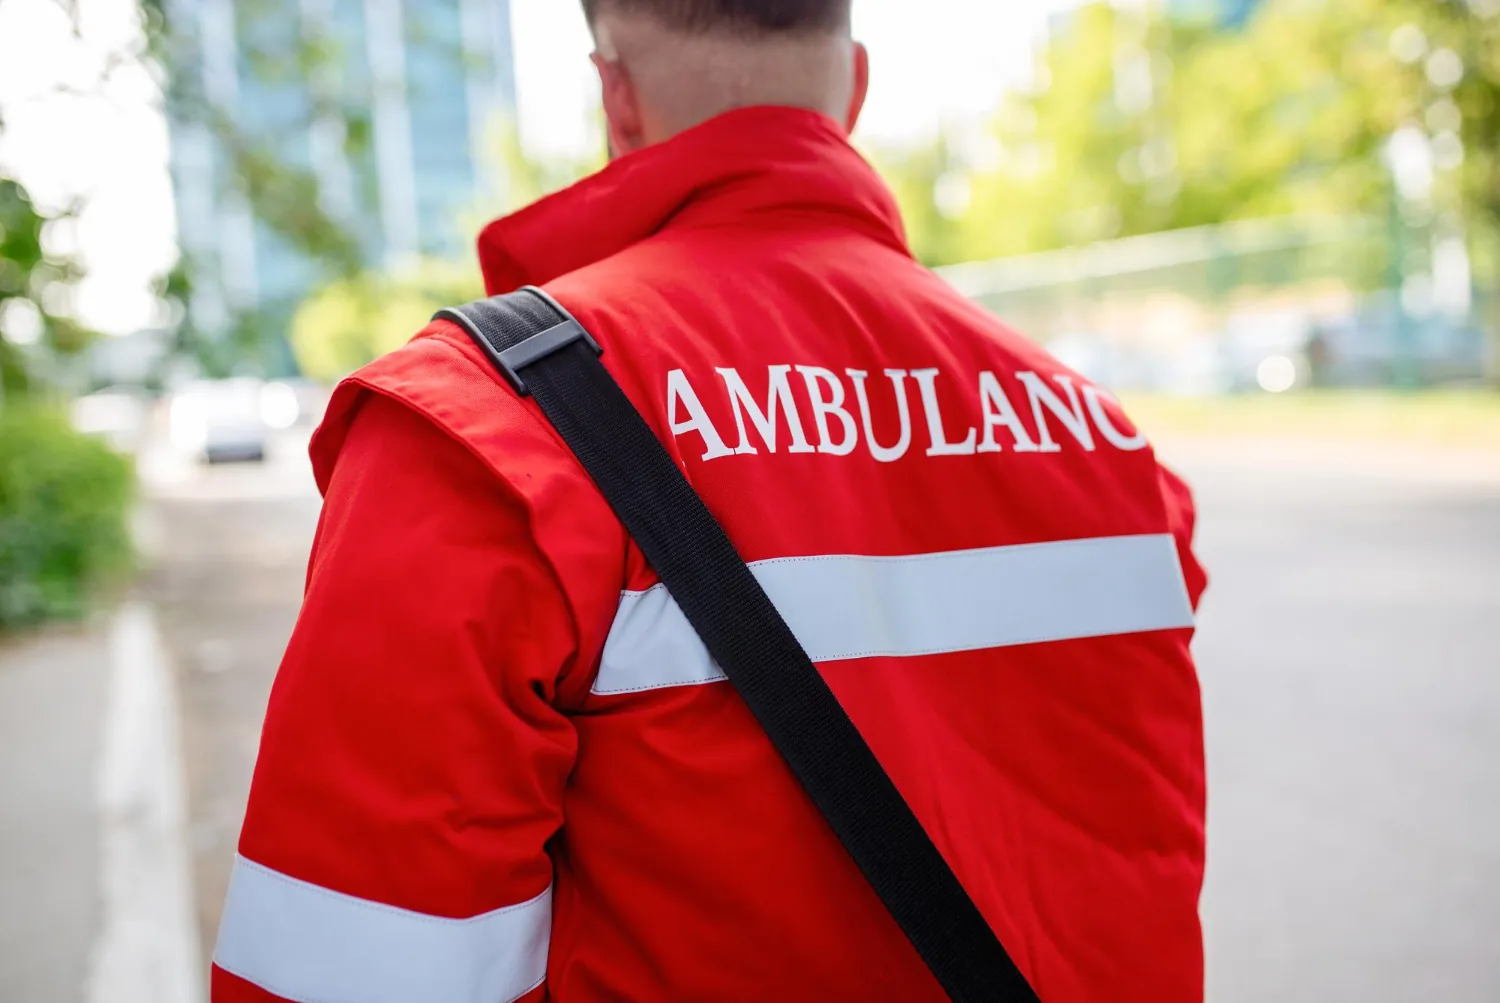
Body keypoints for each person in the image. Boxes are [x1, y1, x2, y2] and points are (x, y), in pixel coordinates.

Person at [210, 1, 1209, 1001]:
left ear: (616, 98)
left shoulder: (483, 429)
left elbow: (357, 969)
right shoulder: (1103, 439)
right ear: (854, 91)